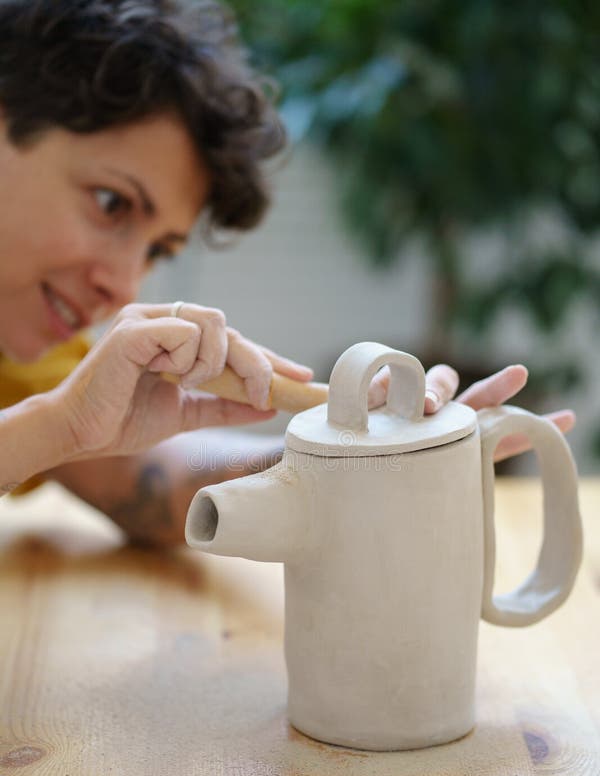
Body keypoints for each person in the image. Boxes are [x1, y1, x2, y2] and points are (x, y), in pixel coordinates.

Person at [0, 0, 574, 545]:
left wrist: (354, 454)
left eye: (159, 251)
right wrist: (55, 425)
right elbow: (53, 432)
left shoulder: (24, 352)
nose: (124, 287)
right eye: (110, 203)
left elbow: (143, 482)